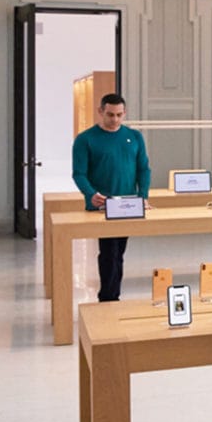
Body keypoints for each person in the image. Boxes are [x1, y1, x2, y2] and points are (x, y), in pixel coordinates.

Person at [71, 92, 149, 303]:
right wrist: (91, 194)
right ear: (100, 112)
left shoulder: (134, 137)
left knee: (118, 252)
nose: (115, 119)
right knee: (109, 252)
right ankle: (108, 298)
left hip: (128, 205)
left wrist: (143, 196)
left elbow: (143, 169)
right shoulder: (85, 139)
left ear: (125, 113)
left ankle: (112, 295)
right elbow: (79, 173)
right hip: (101, 206)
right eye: (110, 115)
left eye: (119, 115)